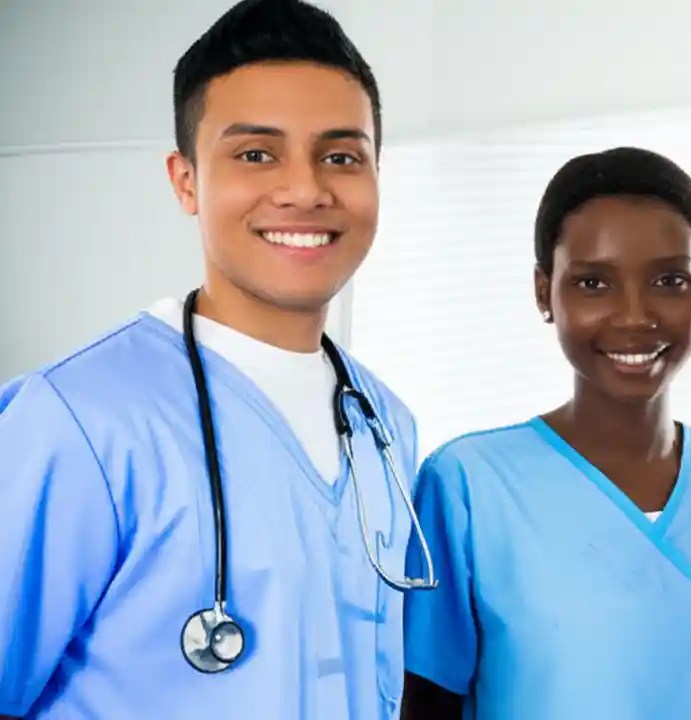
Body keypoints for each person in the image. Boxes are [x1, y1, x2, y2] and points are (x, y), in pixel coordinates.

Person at [0, 1, 432, 718]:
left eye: (341, 156)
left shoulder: (387, 425)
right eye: (256, 154)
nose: (306, 189)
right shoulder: (77, 423)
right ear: (186, 181)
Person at [399, 147, 691, 719]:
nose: (634, 316)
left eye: (669, 280)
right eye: (593, 283)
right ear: (544, 292)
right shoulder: (469, 484)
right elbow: (426, 703)